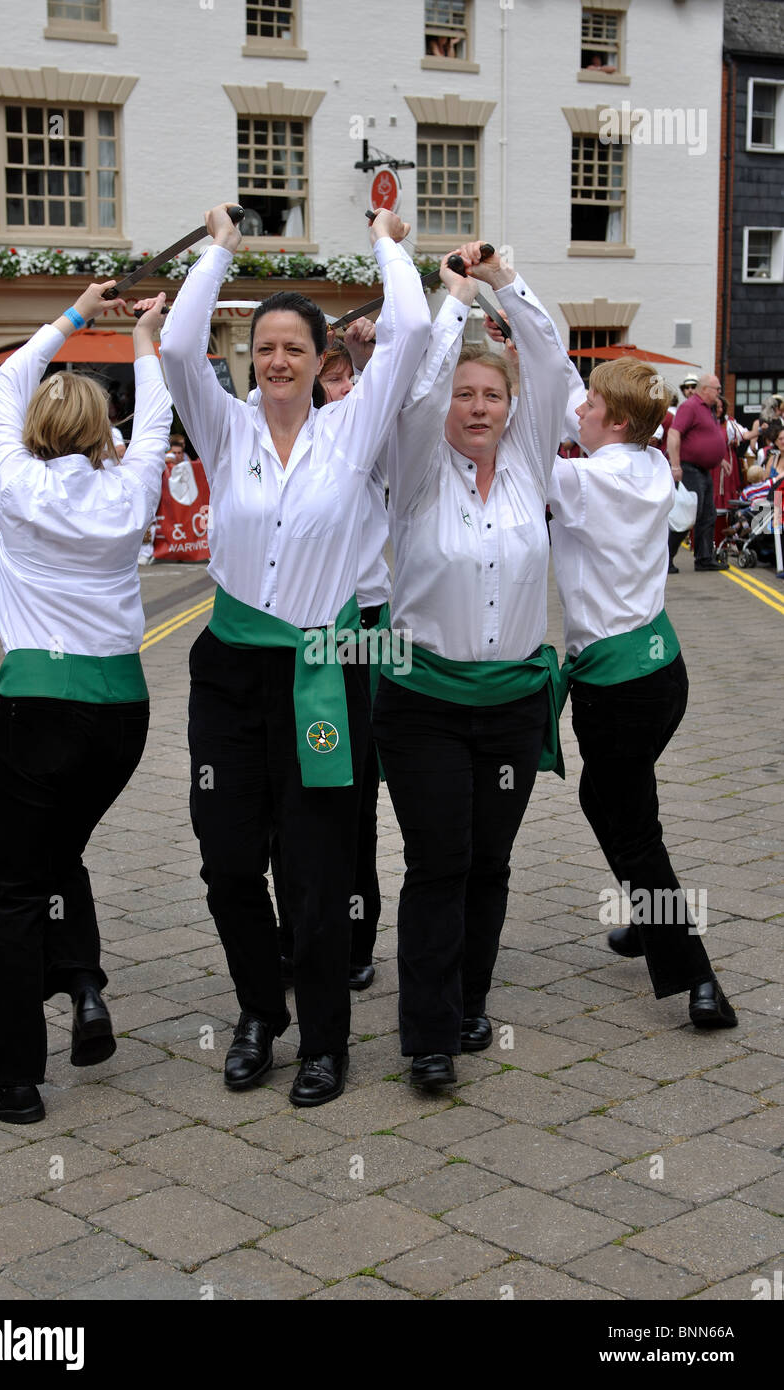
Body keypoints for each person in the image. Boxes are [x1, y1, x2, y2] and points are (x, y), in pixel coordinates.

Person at [160, 202, 429, 1107]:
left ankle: (323, 1041)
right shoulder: (223, 426)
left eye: (295, 349)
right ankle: (255, 1014)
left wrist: (386, 247)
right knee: (228, 857)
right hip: (231, 670)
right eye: (264, 347)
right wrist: (219, 253)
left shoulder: (351, 437)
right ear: (251, 360)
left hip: (323, 671)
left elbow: (416, 327)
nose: (276, 361)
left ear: (324, 363)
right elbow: (173, 349)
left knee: (314, 869)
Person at [0, 285, 172, 1124]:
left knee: (14, 890)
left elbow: (6, 384)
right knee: (57, 858)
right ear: (104, 435)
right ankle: (81, 986)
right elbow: (156, 419)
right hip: (121, 708)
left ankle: (8, 1080)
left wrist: (76, 315)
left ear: (36, 432)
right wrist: (146, 336)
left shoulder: (14, 484)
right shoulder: (130, 492)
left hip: (40, 704)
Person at [373, 244, 569, 1090]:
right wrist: (451, 301)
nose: (478, 407)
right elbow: (413, 398)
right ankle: (426, 1035)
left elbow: (553, 360)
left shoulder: (529, 465)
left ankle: (469, 998)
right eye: (465, 395)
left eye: (492, 395)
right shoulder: (416, 471)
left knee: (489, 860)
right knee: (438, 859)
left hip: (514, 701)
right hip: (423, 703)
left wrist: (503, 282)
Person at [549, 359, 736, 1030]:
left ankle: (697, 980)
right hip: (664, 672)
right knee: (601, 798)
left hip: (616, 688)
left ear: (617, 419)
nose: (578, 410)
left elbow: (523, 448)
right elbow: (575, 395)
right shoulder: (653, 464)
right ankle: (646, 920)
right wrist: (517, 313)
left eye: (590, 404)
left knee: (633, 831)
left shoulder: (579, 480)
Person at [272, 318, 384, 992]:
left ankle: (354, 938)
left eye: (349, 379)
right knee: (292, 793)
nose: (342, 389)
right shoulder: (308, 445)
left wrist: (367, 357)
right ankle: (299, 936)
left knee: (351, 792)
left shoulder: (365, 442)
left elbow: (392, 399)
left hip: (361, 626)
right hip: (292, 627)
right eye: (333, 378)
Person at [667, 372, 730, 571]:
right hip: (689, 468)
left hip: (702, 469)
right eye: (716, 389)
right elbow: (674, 434)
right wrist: (675, 465)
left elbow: (703, 437)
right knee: (686, 515)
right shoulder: (690, 406)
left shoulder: (708, 409)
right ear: (705, 389)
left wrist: (719, 458)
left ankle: (704, 558)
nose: (719, 392)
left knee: (708, 515)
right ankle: (665, 559)